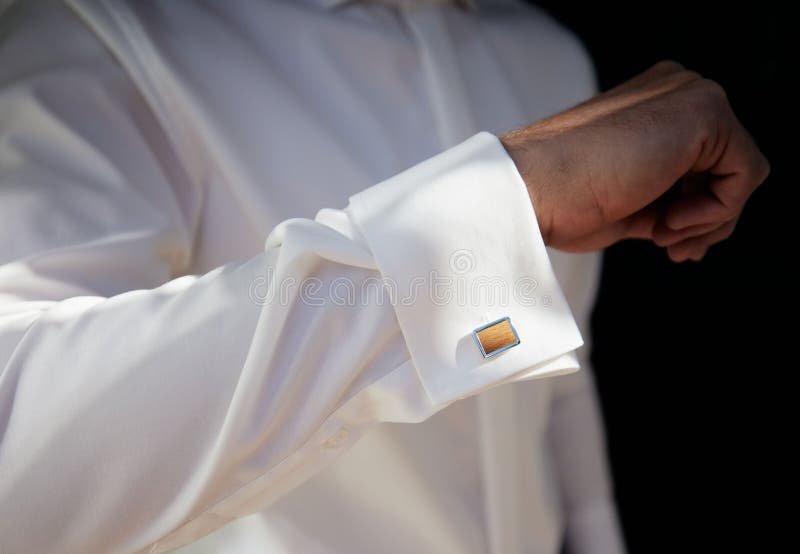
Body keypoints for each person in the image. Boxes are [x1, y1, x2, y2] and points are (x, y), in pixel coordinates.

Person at [0, 1, 767, 553]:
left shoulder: (544, 54)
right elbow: (19, 472)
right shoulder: (93, 37)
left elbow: (552, 383)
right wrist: (498, 205)